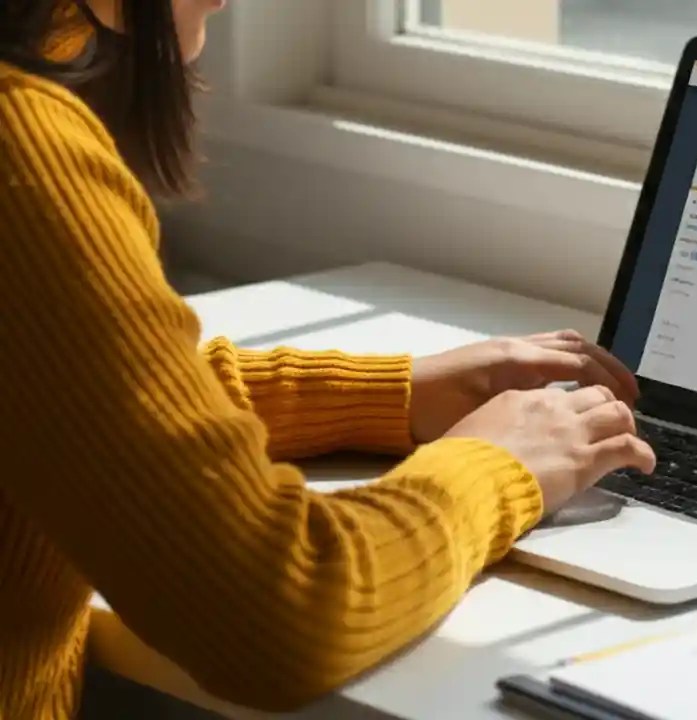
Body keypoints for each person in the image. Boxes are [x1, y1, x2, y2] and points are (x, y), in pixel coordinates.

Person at [0, 0, 657, 716]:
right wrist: (502, 467)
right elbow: (271, 613)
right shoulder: (21, 150)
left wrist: (390, 396)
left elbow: (68, 391)